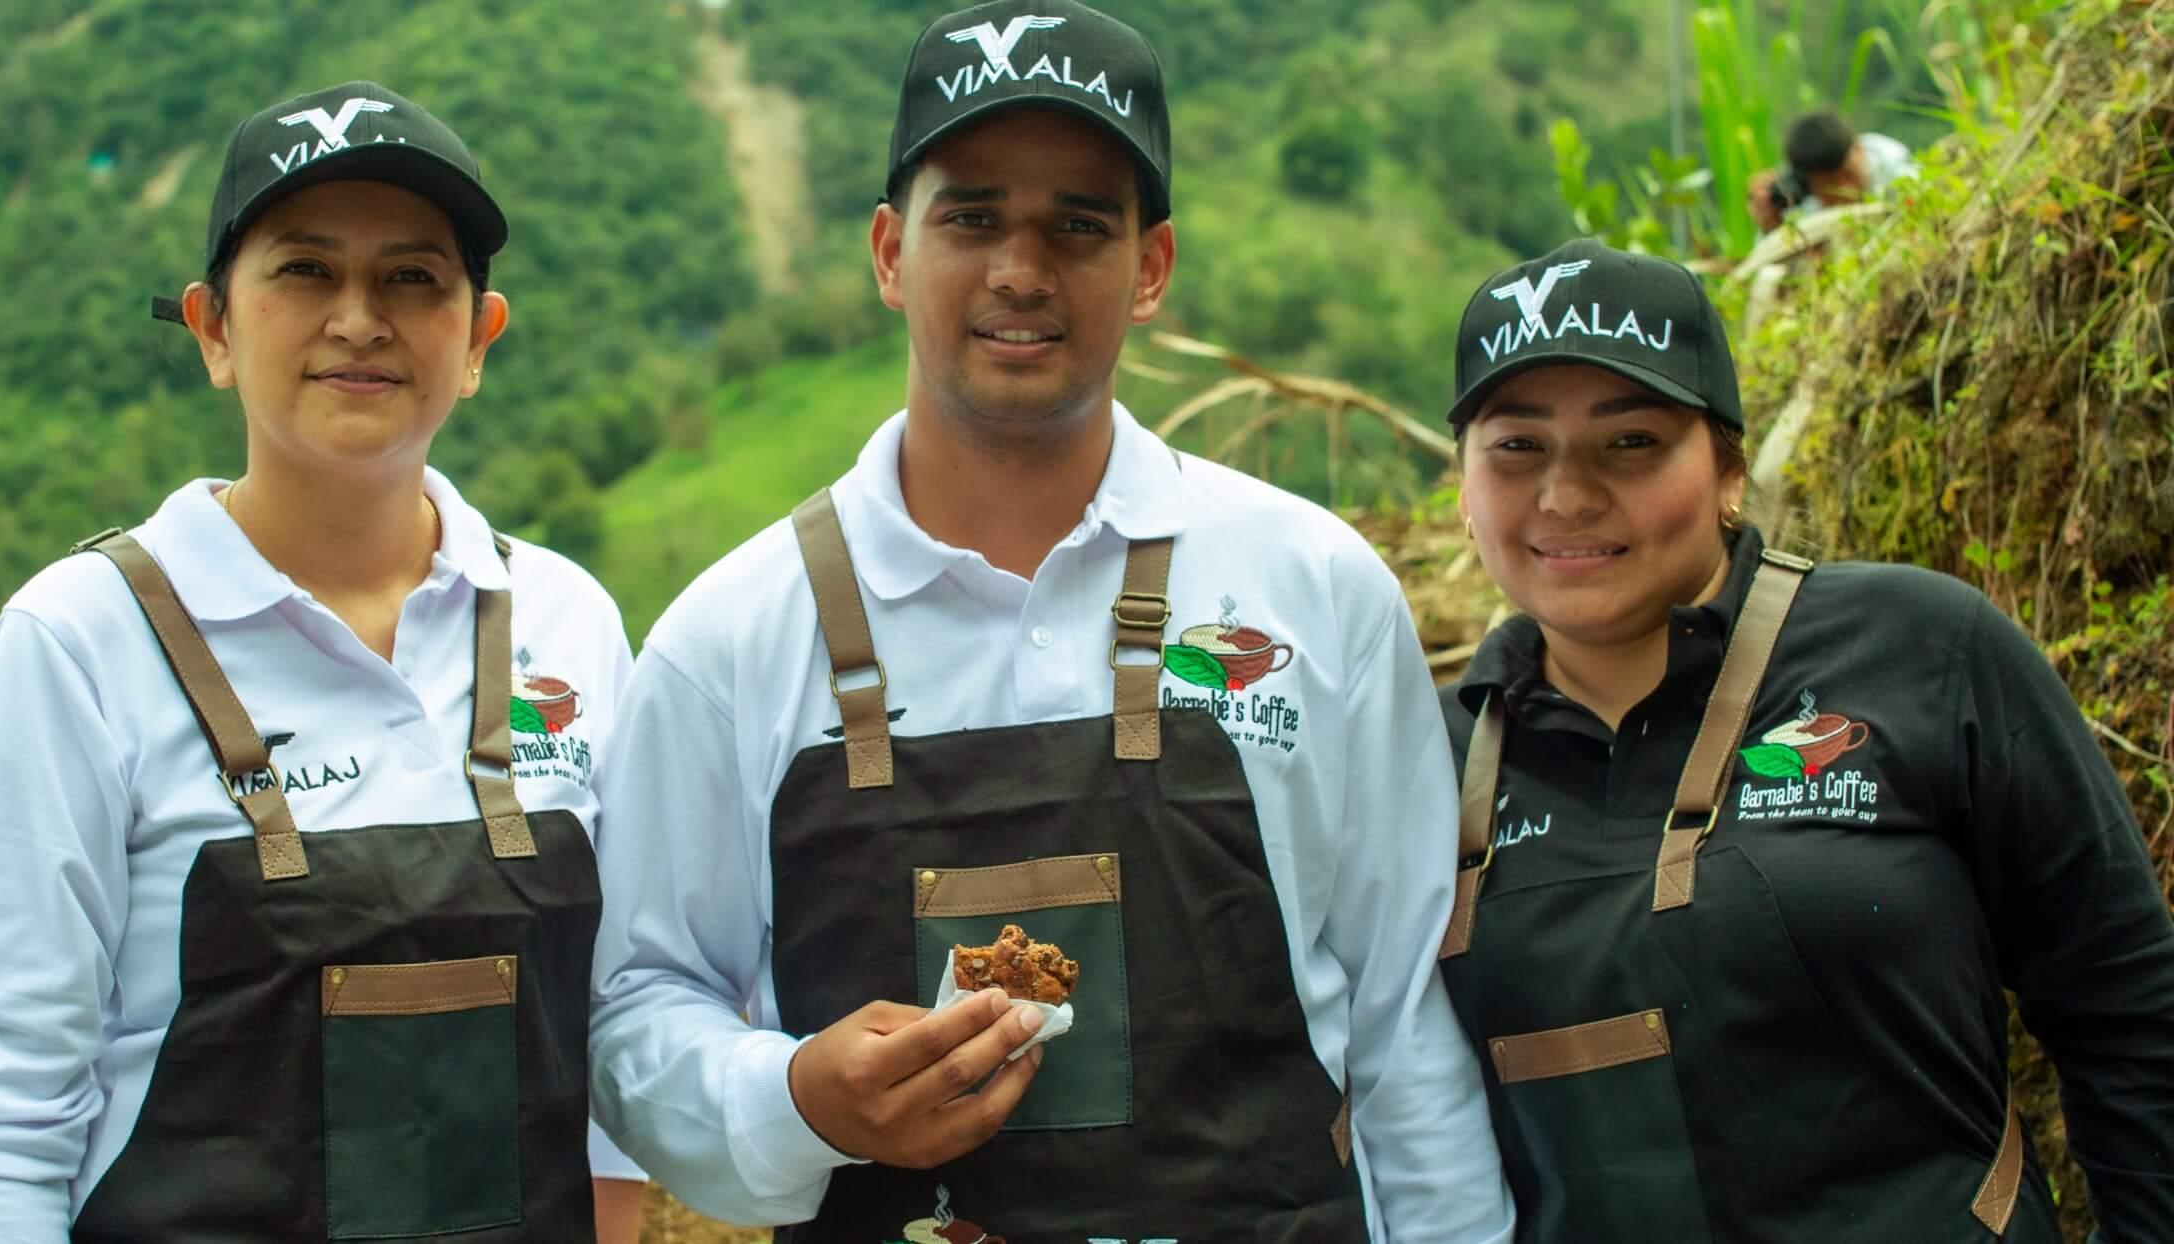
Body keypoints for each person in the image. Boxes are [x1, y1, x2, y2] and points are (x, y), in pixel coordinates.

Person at [586, 3, 1514, 1240]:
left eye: (1078, 224)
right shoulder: (729, 640)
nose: (1020, 268)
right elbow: (640, 1005)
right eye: (969, 216)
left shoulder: (1314, 585)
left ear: (1150, 268)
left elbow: (1403, 1019)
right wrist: (793, 1096)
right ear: (886, 251)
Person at [0, 81, 646, 1241]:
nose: (360, 317)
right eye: (306, 271)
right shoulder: (81, 640)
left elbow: (617, 1026)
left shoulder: (566, 619)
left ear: (477, 340)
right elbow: (2, 1102)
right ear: (212, 328)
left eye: (413, 277)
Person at [1435, 236, 2174, 1240]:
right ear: (1464, 484)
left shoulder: (1919, 649)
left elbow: (2129, 1006)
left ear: (1729, 466)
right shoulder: (1425, 758)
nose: (1566, 493)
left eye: (1632, 441)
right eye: (1517, 446)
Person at [1747, 109, 1917, 233]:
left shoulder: (1891, 169)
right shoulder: (1802, 208)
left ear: (1859, 148)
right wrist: (1773, 228)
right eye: (1830, 187)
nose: (1847, 190)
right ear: (1808, 185)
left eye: (1849, 175)